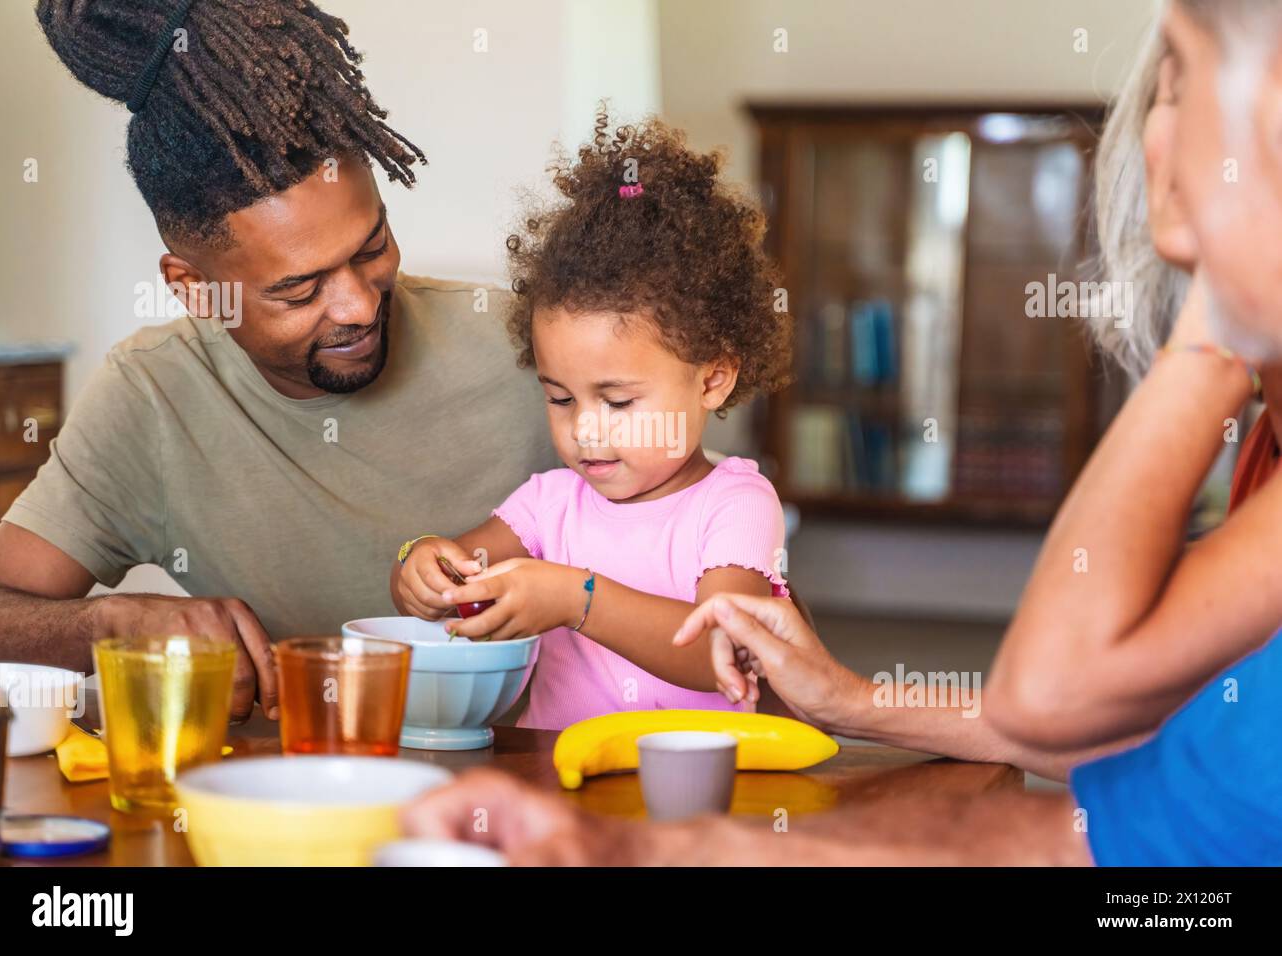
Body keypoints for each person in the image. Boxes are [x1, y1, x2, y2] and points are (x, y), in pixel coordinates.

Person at [401, 0, 1282, 865]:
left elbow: (1061, 711)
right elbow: (1121, 769)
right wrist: (849, 701)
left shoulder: (732, 498)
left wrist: (1211, 337)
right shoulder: (1259, 443)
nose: (1150, 143)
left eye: (1179, 88)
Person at [0, 0, 554, 720]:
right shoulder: (151, 398)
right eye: (299, 289)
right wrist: (108, 621)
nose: (356, 305)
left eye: (371, 247)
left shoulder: (526, 349)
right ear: (196, 290)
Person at [391, 115, 794, 728]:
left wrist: (576, 600)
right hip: (557, 783)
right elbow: (456, 566)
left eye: (619, 401)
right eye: (560, 398)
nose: (585, 429)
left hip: (695, 797)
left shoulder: (735, 503)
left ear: (713, 379)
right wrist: (420, 566)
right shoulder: (547, 504)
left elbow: (724, 650)